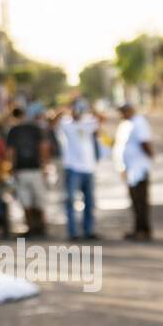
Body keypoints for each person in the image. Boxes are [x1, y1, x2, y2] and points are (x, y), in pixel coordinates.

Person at [57, 98, 102, 241]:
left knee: (89, 201)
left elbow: (101, 120)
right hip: (73, 168)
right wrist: (64, 109)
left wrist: (90, 107)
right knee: (70, 201)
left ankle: (89, 230)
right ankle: (73, 232)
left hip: (89, 168)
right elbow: (51, 122)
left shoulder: (88, 121)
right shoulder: (66, 123)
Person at [6, 105, 50, 237]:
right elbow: (43, 146)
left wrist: (12, 168)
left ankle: (31, 227)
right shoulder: (35, 128)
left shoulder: (13, 130)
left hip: (21, 169)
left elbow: (11, 151)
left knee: (26, 199)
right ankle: (41, 226)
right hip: (36, 168)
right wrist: (44, 165)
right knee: (39, 198)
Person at [114, 103, 155, 241]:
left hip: (139, 168)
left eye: (124, 111)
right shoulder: (127, 124)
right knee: (135, 201)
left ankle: (144, 230)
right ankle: (138, 228)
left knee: (140, 201)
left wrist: (151, 157)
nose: (122, 115)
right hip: (131, 169)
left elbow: (144, 143)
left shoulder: (139, 122)